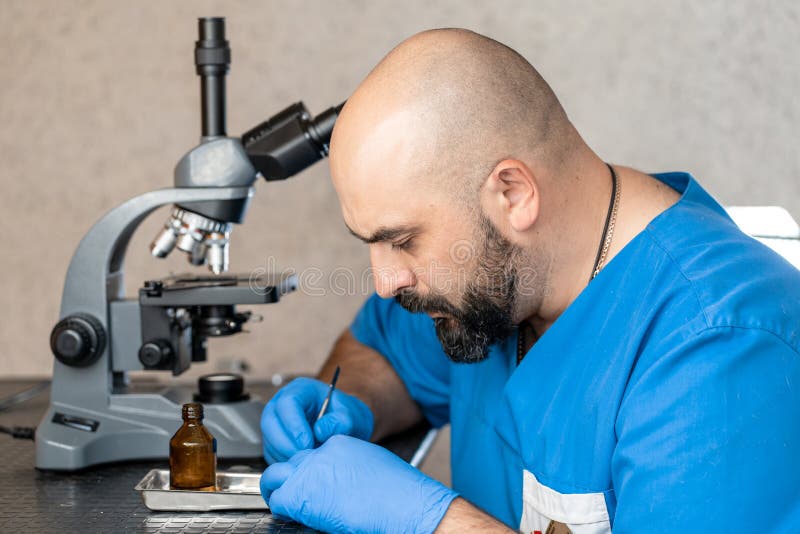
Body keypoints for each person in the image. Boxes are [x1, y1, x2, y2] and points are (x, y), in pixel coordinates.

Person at [258, 28, 800, 533]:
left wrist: (432, 522)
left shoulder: (723, 346)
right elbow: (384, 353)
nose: (384, 281)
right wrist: (348, 402)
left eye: (402, 241)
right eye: (369, 243)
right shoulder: (487, 287)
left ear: (512, 194)